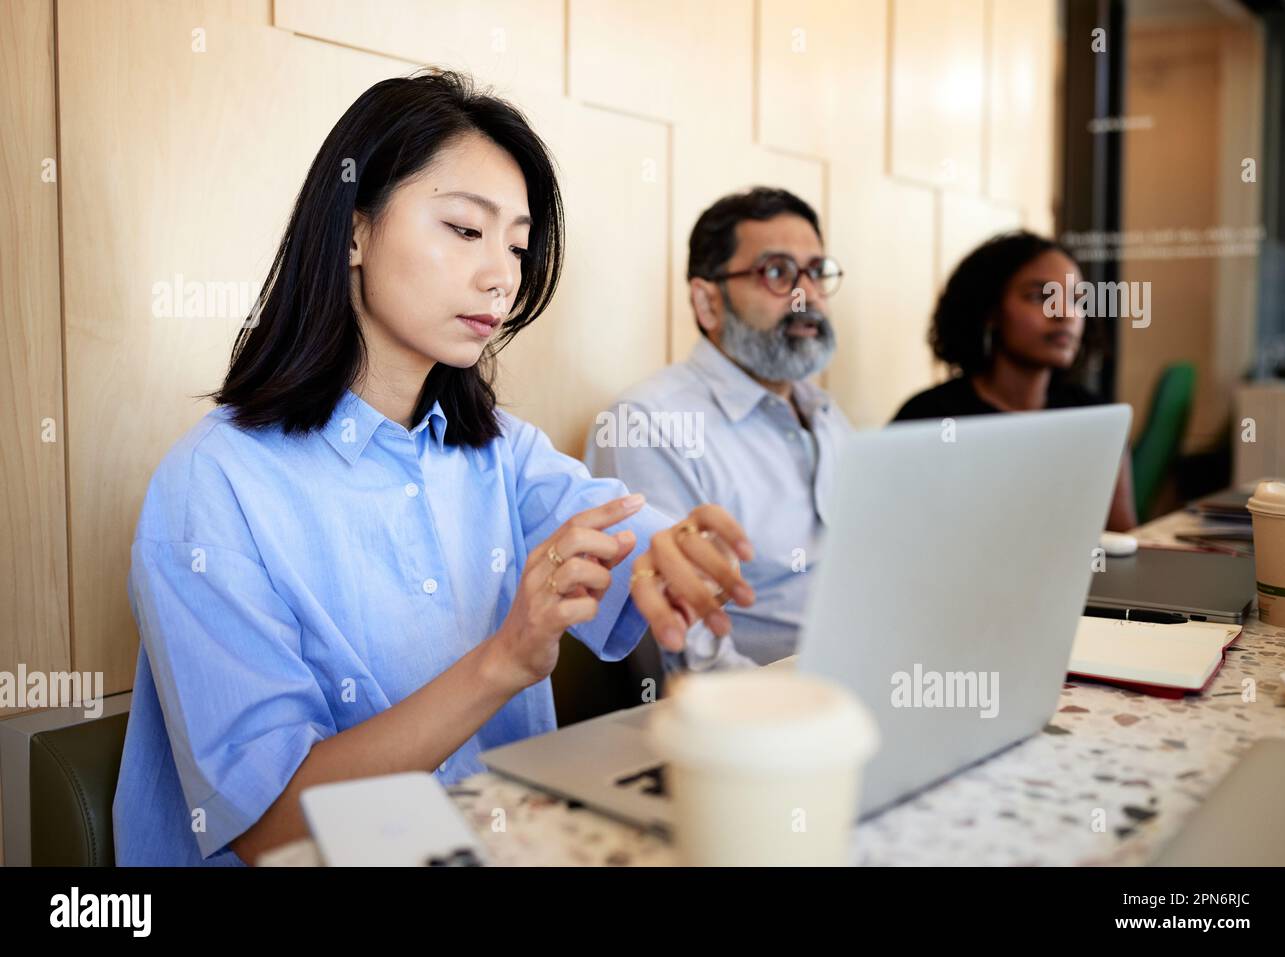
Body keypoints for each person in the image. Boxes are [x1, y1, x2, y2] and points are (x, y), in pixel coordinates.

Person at [112, 70, 756, 866]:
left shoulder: (498, 451)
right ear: (353, 233)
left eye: (518, 245)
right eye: (463, 229)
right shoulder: (211, 487)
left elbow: (616, 530)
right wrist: (503, 662)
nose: (503, 275)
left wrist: (671, 552)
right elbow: (272, 824)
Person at [586, 187, 853, 669]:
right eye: (777, 273)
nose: (806, 295)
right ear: (707, 302)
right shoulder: (647, 424)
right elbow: (679, 651)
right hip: (755, 722)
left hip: (872, 683)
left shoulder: (828, 415)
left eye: (815, 272)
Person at [891, 230, 1137, 531]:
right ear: (990, 311)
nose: (1064, 314)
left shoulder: (1096, 418)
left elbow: (1122, 542)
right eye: (1039, 296)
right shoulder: (928, 417)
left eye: (1075, 299)